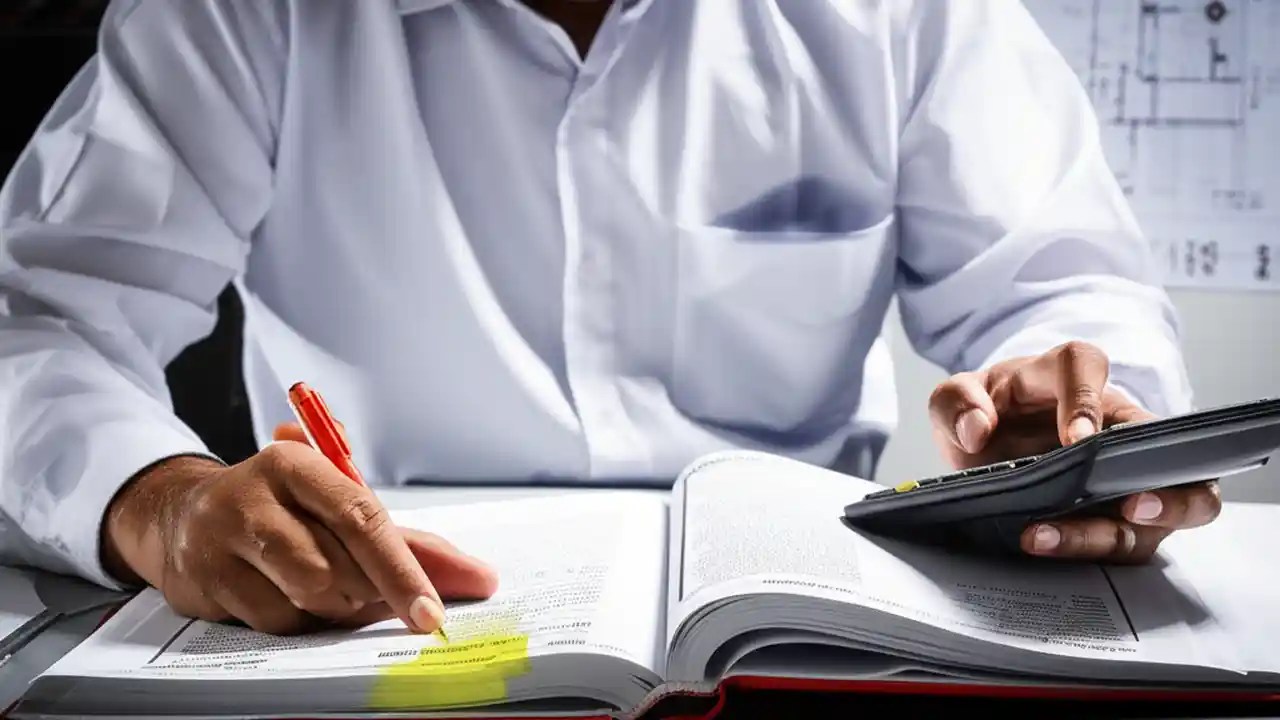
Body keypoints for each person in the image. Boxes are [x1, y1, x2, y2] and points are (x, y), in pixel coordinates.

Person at [0, 0, 1220, 638]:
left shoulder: (906, 13)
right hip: (366, 618)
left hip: (791, 628)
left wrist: (1073, 436)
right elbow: (36, 318)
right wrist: (161, 503)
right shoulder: (241, 13)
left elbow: (1061, 291)